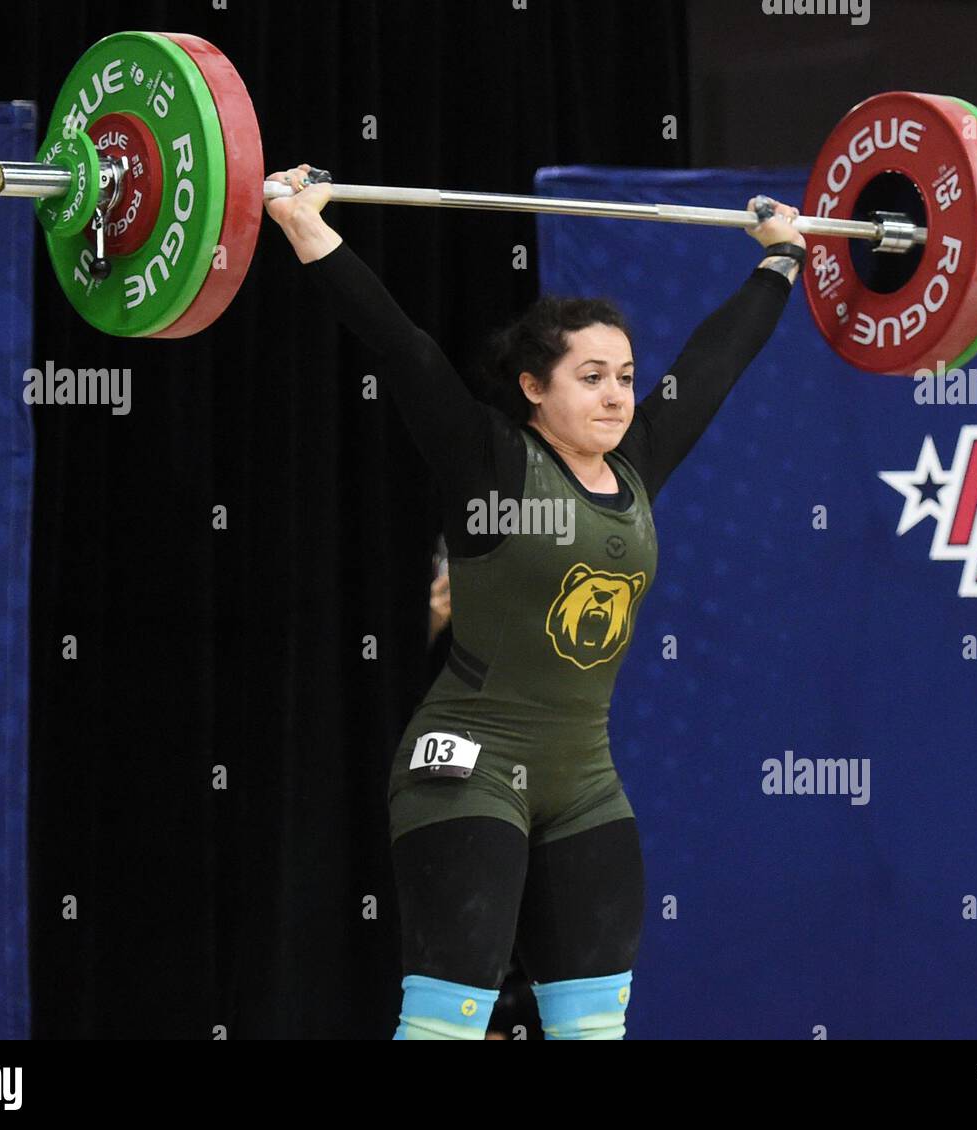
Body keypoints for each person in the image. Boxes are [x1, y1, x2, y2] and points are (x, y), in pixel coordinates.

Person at [265, 164, 803, 1039]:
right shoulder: (493, 462)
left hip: (583, 780)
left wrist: (779, 261)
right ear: (532, 388)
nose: (618, 395)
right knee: (449, 1023)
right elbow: (404, 351)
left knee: (593, 1027)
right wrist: (305, 227)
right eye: (591, 377)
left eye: (625, 376)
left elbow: (711, 367)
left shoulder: (636, 466)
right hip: (467, 770)